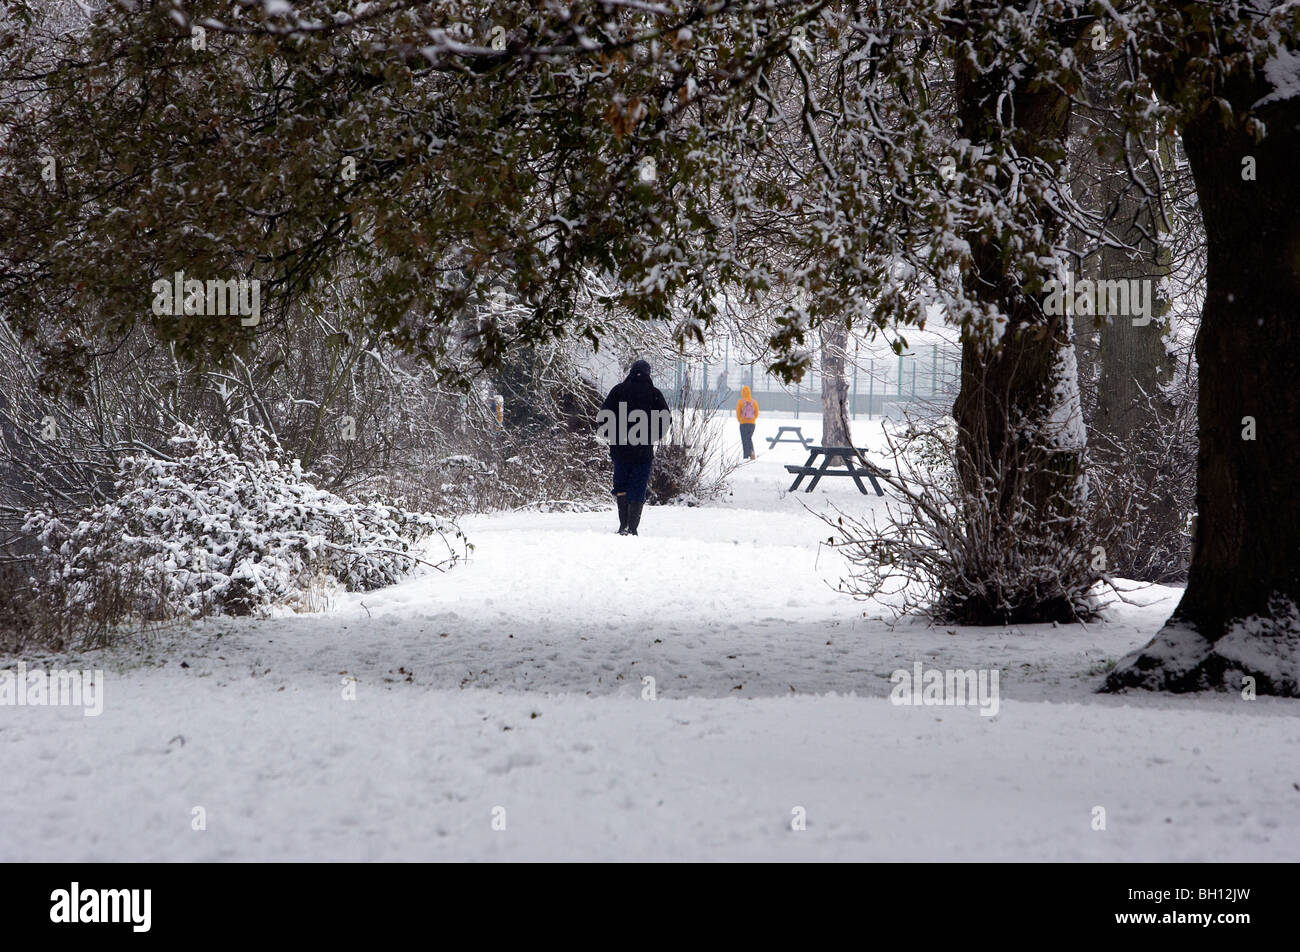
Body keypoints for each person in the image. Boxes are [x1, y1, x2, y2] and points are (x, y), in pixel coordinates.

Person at [600, 359, 670, 535]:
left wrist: (612, 435)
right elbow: (665, 418)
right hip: (643, 451)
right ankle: (633, 528)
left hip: (620, 449)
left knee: (621, 485)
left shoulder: (618, 391)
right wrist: (653, 435)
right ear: (648, 373)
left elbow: (604, 417)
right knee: (638, 486)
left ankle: (623, 525)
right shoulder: (654, 394)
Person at [736, 385, 759, 460]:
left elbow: (738, 413)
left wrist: (741, 420)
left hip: (743, 423)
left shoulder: (740, 402)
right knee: (749, 438)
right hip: (752, 424)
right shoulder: (754, 402)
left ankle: (746, 455)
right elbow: (756, 413)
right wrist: (752, 419)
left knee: (744, 439)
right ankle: (751, 452)